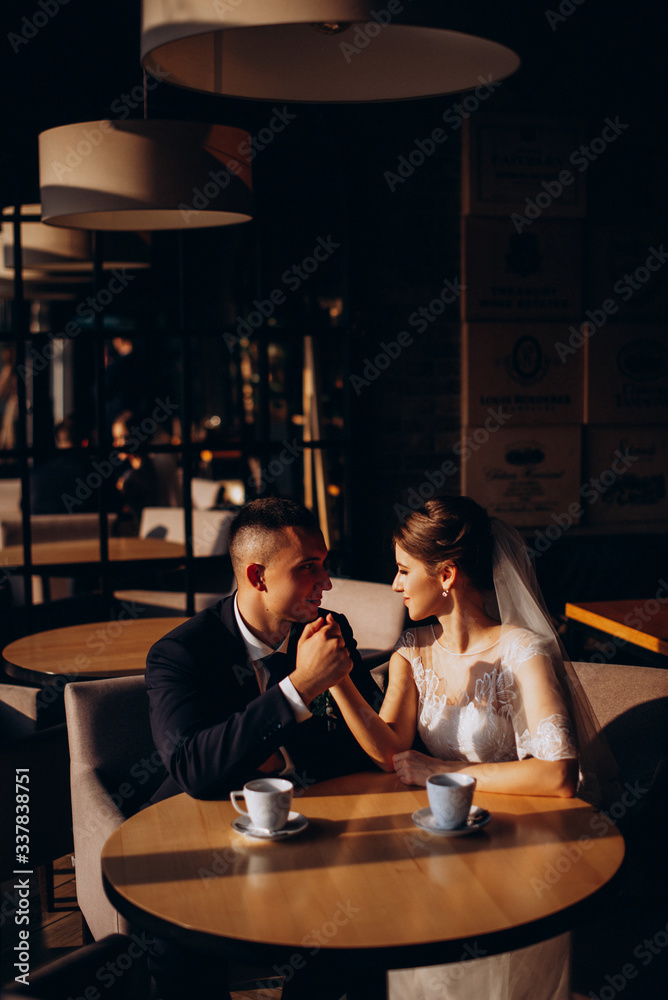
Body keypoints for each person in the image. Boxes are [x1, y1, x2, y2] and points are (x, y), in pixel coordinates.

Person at [327, 495, 602, 1000]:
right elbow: (392, 752)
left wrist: (437, 768)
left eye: (405, 571)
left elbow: (558, 776)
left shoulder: (521, 651)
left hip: (519, 850)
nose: (395, 585)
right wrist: (338, 681)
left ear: (447, 575)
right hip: (438, 846)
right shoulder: (412, 651)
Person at [145, 497, 383, 999]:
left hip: (315, 835)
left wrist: (333, 684)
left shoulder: (328, 630)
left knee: (362, 929)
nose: (327, 582)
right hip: (204, 842)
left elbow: (370, 740)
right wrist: (298, 690)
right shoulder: (181, 653)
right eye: (308, 568)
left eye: (325, 564)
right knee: (182, 957)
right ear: (257, 576)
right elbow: (192, 767)